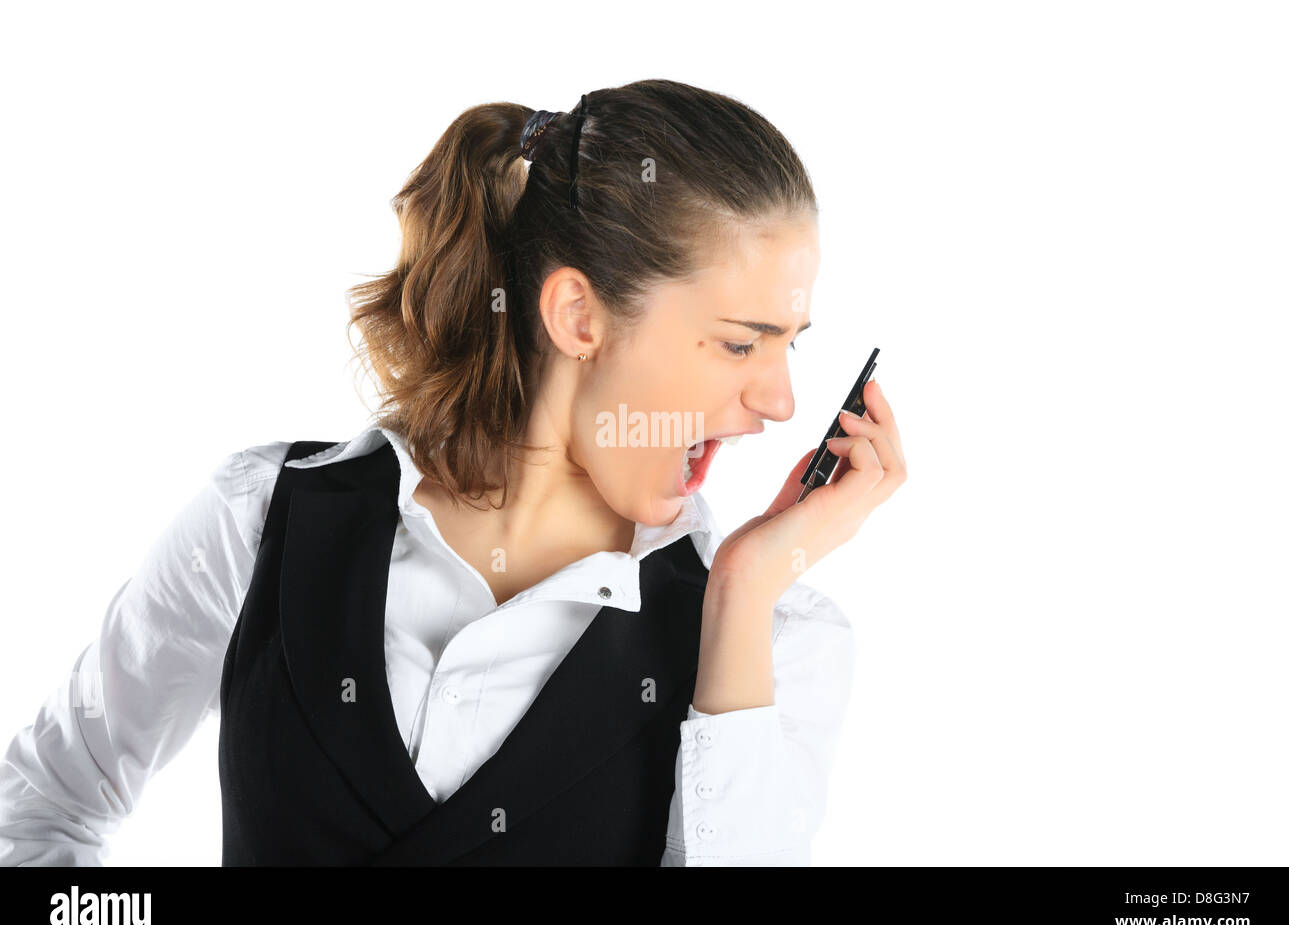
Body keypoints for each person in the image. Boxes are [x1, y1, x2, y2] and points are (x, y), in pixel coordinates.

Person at [0, 79, 906, 866]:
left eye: (790, 346)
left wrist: (742, 595)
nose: (784, 402)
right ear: (580, 318)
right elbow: (43, 807)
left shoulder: (777, 643)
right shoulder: (265, 518)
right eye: (740, 342)